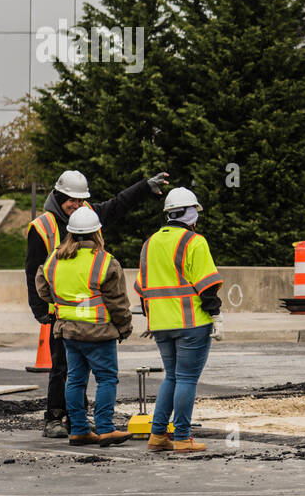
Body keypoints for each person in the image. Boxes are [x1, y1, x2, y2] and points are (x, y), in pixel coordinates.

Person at [25, 168, 168, 438]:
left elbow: (117, 205)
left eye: (80, 201)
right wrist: (42, 309)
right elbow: (33, 271)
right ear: (58, 196)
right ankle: (56, 418)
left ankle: (77, 423)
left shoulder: (86, 214)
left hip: (80, 315)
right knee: (62, 369)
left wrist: (143, 188)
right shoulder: (42, 227)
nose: (77, 206)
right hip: (62, 314)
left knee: (77, 374)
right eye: (72, 201)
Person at [34, 208, 133, 447]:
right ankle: (106, 429)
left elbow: (42, 287)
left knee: (75, 380)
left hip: (68, 331)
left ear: (69, 233)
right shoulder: (105, 261)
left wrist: (63, 301)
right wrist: (124, 327)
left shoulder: (55, 259)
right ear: (97, 232)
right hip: (99, 331)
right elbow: (117, 302)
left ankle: (78, 429)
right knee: (107, 379)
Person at [134, 188, 223, 453]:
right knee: (186, 379)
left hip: (161, 324)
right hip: (191, 322)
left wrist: (151, 317)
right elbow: (207, 286)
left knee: (172, 377)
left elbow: (142, 287)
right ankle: (183, 437)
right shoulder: (194, 241)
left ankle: (158, 435)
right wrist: (216, 315)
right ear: (190, 213)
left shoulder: (150, 243)